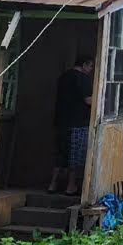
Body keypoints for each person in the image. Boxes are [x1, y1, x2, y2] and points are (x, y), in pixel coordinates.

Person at [49, 55, 94, 196]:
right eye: (91, 66)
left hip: (61, 121)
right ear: (85, 64)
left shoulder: (63, 77)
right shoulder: (83, 79)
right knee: (76, 155)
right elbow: (88, 100)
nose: (91, 70)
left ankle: (53, 184)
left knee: (61, 154)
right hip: (78, 122)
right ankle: (71, 185)